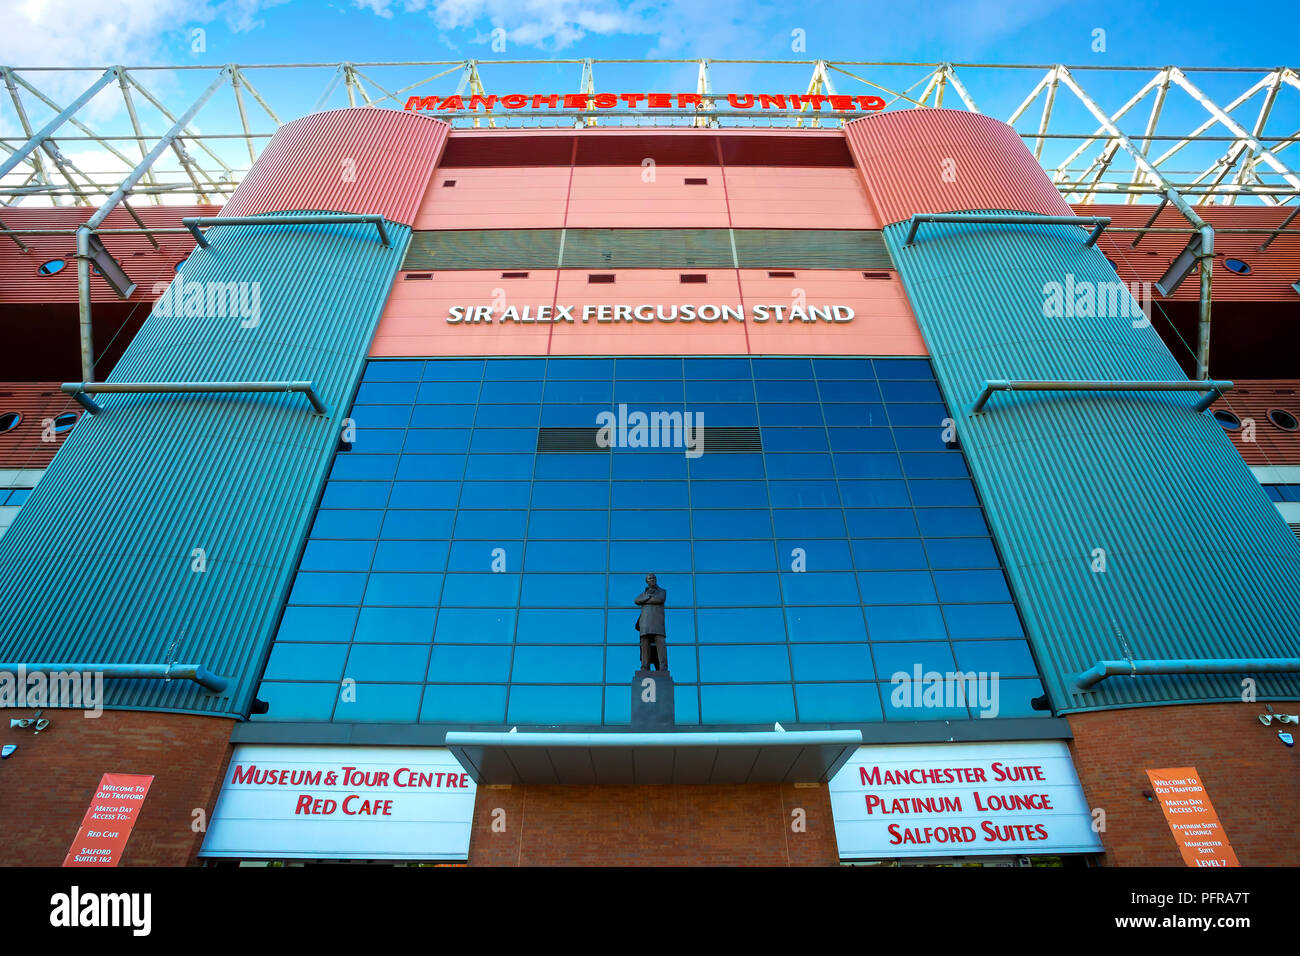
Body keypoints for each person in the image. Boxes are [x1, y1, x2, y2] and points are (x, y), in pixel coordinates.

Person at [634, 572, 668, 671]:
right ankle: (645, 666)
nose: (652, 579)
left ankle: (663, 666)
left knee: (660, 645)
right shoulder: (644, 593)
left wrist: (646, 599)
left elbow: (660, 599)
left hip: (658, 624)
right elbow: (636, 601)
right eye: (650, 578)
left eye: (654, 577)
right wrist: (648, 597)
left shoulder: (662, 591)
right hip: (645, 624)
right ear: (646, 581)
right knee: (645, 646)